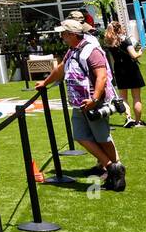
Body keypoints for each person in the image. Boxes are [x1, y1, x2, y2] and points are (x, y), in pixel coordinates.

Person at [36, 19, 125, 190]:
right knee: (80, 136)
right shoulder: (72, 50)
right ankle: (112, 167)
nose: (61, 36)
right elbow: (61, 69)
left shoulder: (91, 50)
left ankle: (116, 168)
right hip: (79, 104)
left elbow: (102, 76)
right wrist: (45, 82)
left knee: (103, 138)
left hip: (93, 103)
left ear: (71, 34)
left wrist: (94, 98)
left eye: (63, 33)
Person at [103, 22, 145, 127]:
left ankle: (128, 118)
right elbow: (133, 55)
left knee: (123, 97)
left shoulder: (109, 42)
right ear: (119, 28)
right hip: (131, 68)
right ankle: (138, 121)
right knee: (136, 97)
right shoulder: (125, 40)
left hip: (118, 69)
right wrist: (139, 52)